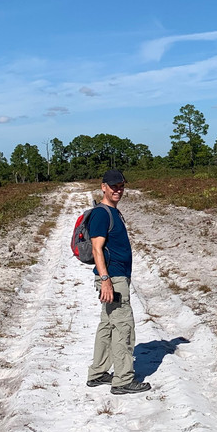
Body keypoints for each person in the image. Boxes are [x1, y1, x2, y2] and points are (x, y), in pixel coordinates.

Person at [85, 169, 151, 395]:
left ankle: (98, 373)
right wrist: (106, 280)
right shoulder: (102, 214)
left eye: (121, 185)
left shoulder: (112, 211)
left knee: (108, 324)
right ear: (103, 186)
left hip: (114, 277)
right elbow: (96, 248)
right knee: (124, 326)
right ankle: (123, 380)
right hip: (112, 278)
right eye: (113, 186)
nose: (118, 190)